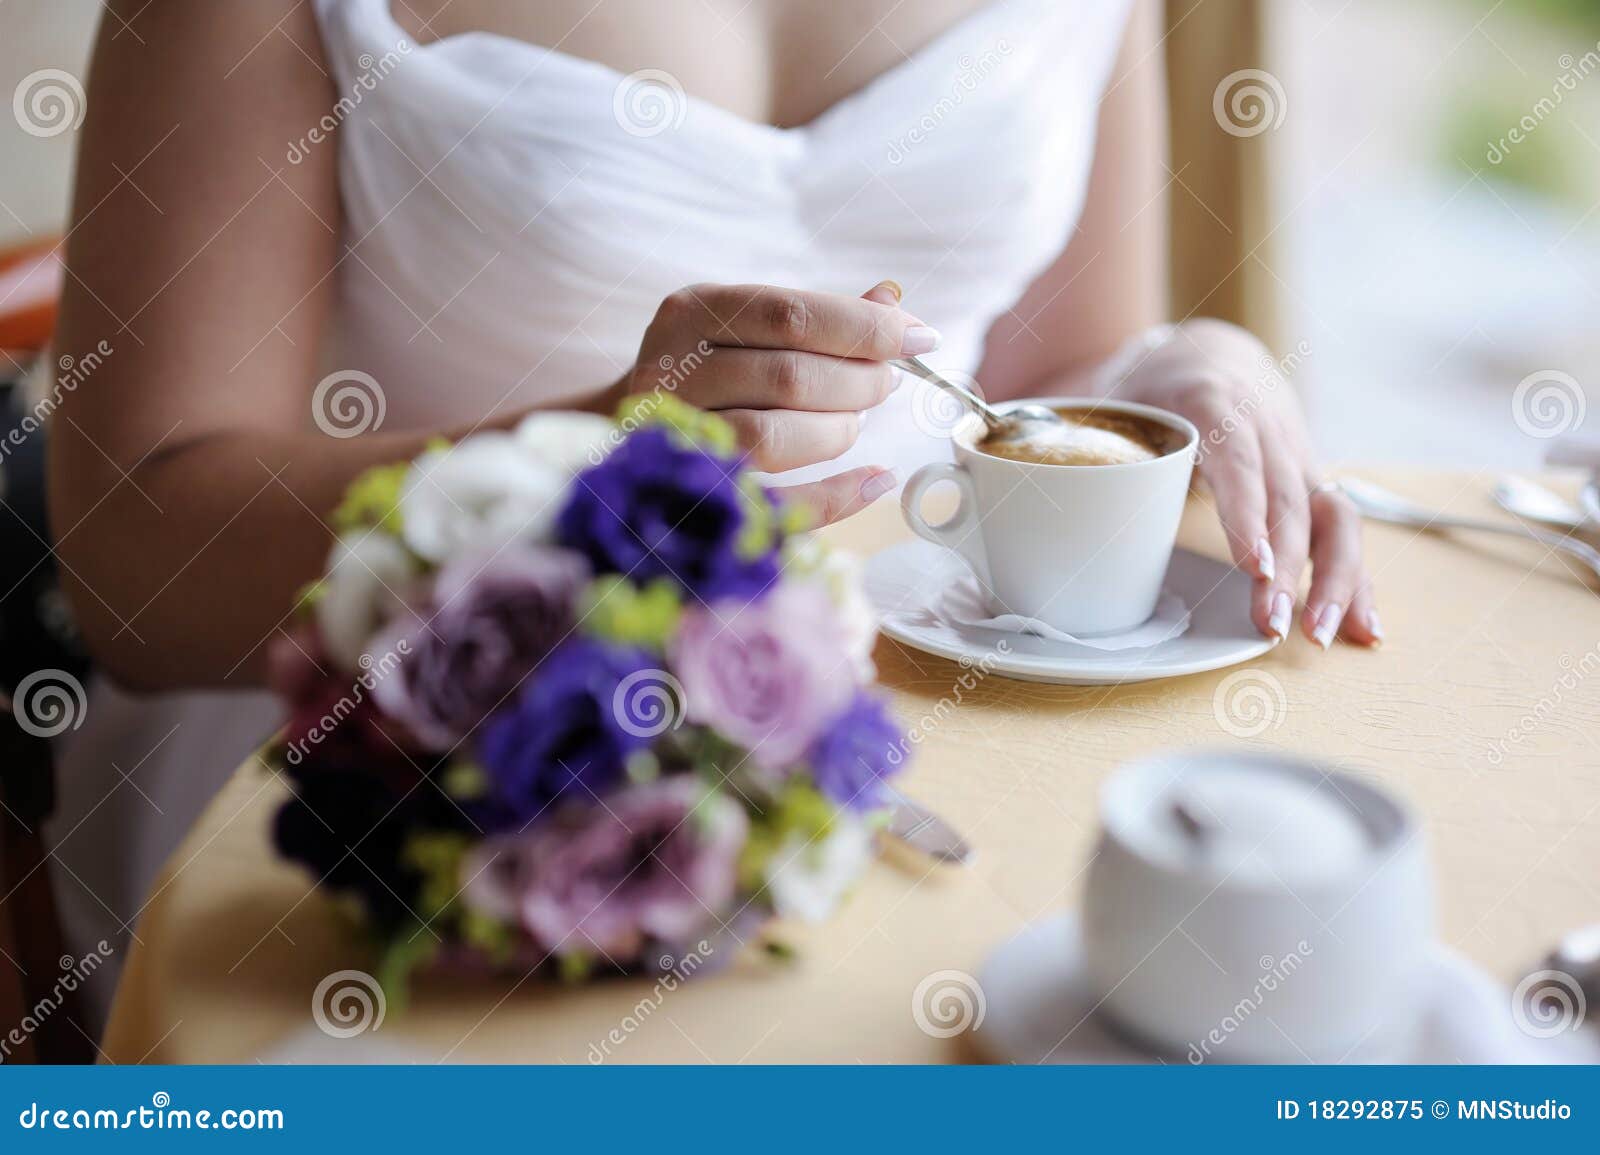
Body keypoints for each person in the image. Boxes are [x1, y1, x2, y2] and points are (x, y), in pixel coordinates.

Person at [44, 0, 1376, 1025]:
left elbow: (1044, 375)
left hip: (936, 752)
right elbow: (133, 563)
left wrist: (1174, 366)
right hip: (429, 780)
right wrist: (594, 449)